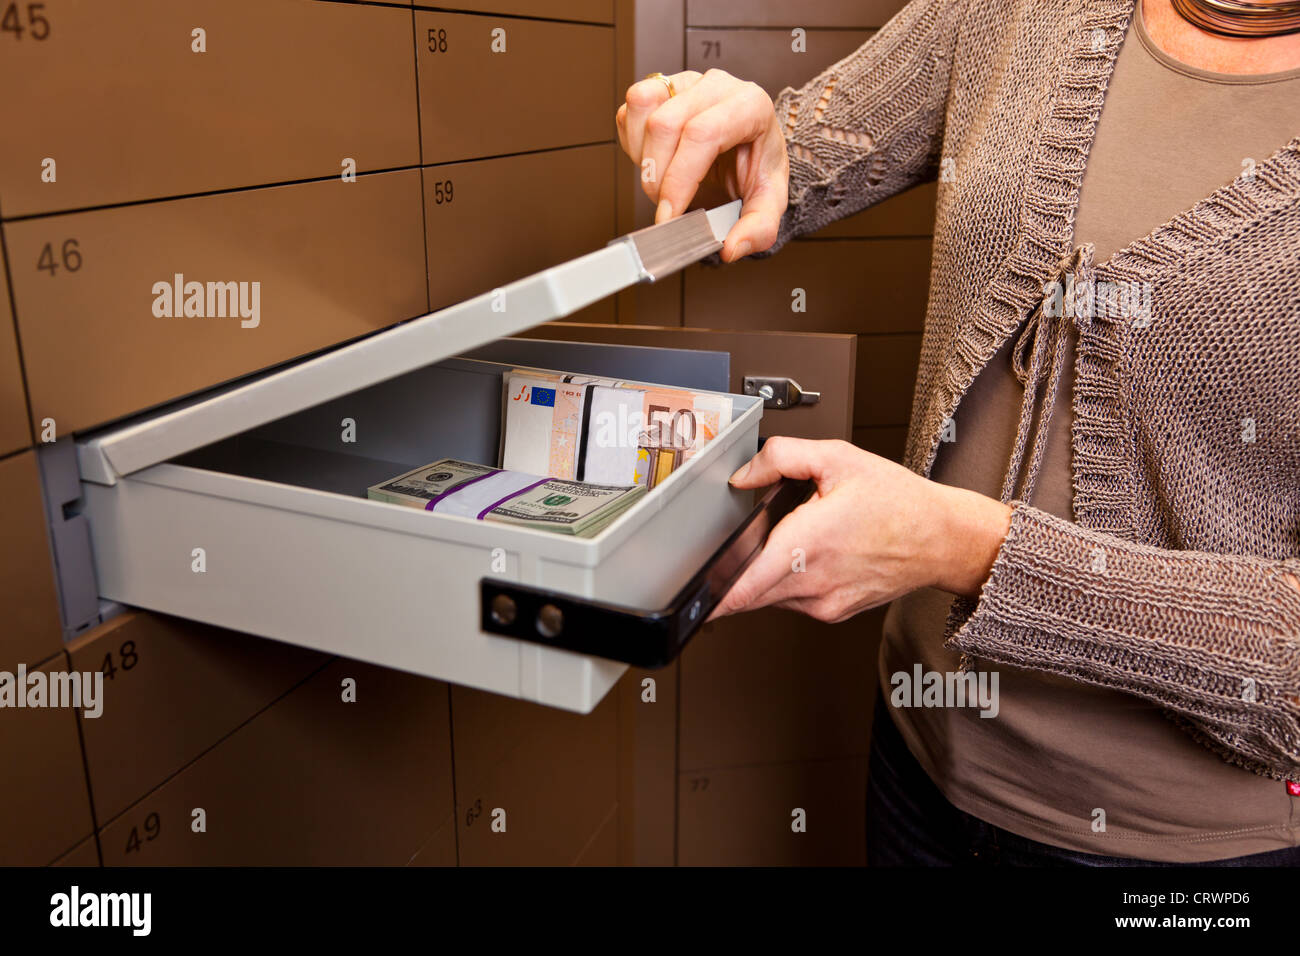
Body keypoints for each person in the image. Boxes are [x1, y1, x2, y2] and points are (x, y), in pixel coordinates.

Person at [617, 0, 1300, 865]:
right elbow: (800, 157)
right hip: (922, 760)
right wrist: (734, 131)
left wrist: (962, 547)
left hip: (1172, 850)